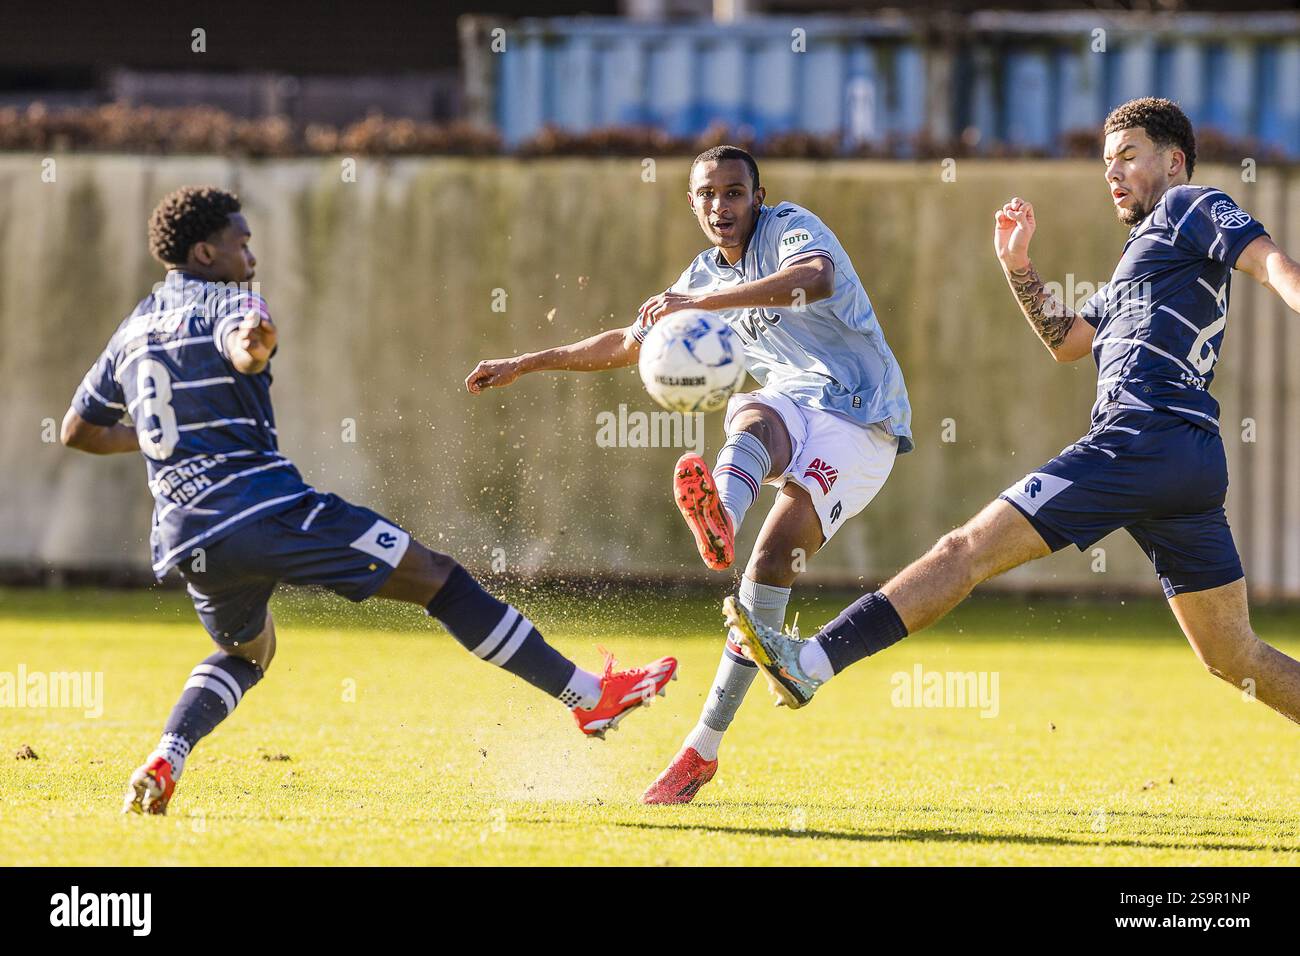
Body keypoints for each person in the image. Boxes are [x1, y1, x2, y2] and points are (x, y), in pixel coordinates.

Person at [61, 186, 677, 815]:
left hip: (187, 540)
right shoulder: (231, 300)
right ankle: (587, 697)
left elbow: (76, 430)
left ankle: (168, 754)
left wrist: (168, 437)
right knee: (439, 580)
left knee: (247, 651)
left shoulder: (132, 328)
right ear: (204, 251)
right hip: (268, 511)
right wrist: (256, 344)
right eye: (241, 244)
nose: (251, 257)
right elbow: (245, 343)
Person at [725, 98, 1300, 734]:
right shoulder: (1145, 260)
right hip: (1188, 460)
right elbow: (1066, 341)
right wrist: (1018, 266)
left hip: (1140, 436)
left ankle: (810, 660)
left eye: (1129, 157)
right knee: (1232, 654)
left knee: (964, 549)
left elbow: (1269, 260)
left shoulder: (1186, 205)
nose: (1114, 173)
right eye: (1107, 162)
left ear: (1175, 161)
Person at [466, 146, 911, 802]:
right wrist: (529, 361)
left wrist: (702, 301)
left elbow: (813, 278)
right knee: (752, 416)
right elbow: (628, 342)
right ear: (692, 202)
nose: (720, 206)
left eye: (734, 193)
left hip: (862, 418)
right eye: (707, 195)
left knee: (769, 570)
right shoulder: (703, 273)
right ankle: (719, 522)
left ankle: (701, 749)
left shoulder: (790, 227)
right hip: (790, 401)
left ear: (758, 196)